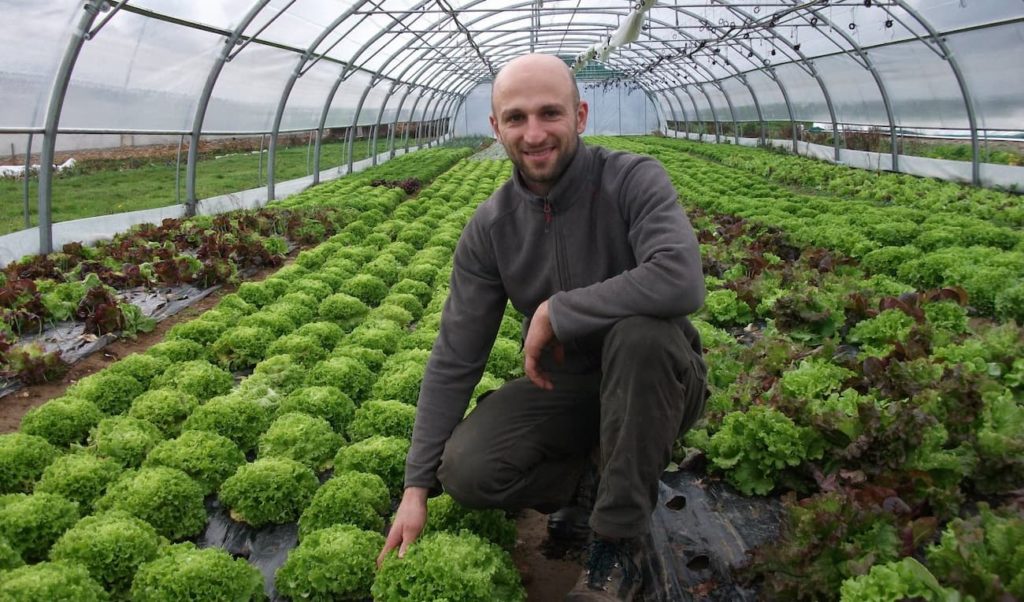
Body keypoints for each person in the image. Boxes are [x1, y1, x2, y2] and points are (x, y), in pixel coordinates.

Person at [378, 53, 708, 601]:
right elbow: (456, 355)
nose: (534, 134)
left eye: (549, 114)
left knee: (639, 335)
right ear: (495, 128)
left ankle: (618, 543)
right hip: (573, 392)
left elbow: (680, 280)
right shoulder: (491, 228)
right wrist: (416, 486)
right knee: (466, 470)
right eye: (516, 118)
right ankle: (600, 485)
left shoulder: (631, 179)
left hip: (658, 384)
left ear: (579, 116)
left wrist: (559, 309)